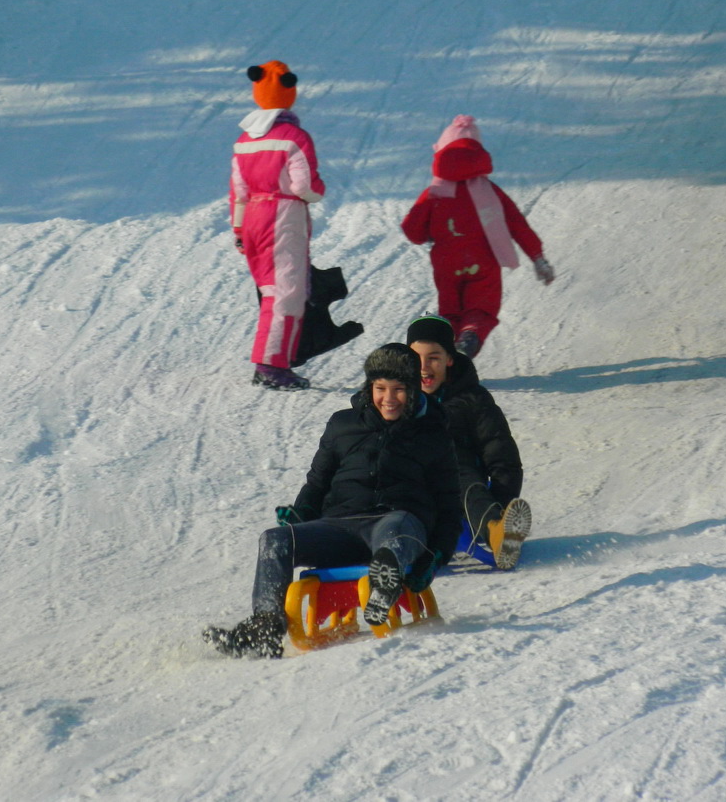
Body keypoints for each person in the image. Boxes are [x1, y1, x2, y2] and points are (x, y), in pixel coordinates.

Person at [204, 343, 461, 658]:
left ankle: (384, 586)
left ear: (412, 389)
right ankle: (266, 625)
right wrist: (299, 515)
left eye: (399, 390)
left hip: (398, 520)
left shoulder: (433, 434)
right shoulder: (343, 425)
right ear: (370, 388)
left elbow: (449, 504)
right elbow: (317, 483)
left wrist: (435, 558)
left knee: (395, 532)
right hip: (339, 526)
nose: (389, 399)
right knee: (275, 540)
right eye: (381, 388)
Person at [401, 115, 556, 357]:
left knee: (450, 311)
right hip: (483, 261)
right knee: (481, 308)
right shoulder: (490, 192)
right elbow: (518, 224)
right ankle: (471, 335)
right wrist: (538, 257)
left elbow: (412, 229)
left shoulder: (435, 193)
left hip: (447, 263)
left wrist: (429, 235)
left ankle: (447, 354)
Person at [406, 314, 532, 569]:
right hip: (403, 487)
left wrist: (499, 505)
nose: (424, 368)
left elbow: (501, 455)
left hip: (456, 486)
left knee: (456, 471)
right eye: (416, 358)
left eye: (433, 358)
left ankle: (497, 533)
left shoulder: (473, 400)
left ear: (449, 359)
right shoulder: (393, 396)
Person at [229, 60, 325, 390]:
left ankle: (271, 359)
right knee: (286, 291)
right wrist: (318, 190)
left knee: (270, 289)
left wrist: (239, 230)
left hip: (253, 217)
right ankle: (271, 364)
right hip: (282, 216)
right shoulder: (294, 137)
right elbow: (304, 187)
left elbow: (238, 191)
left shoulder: (243, 141)